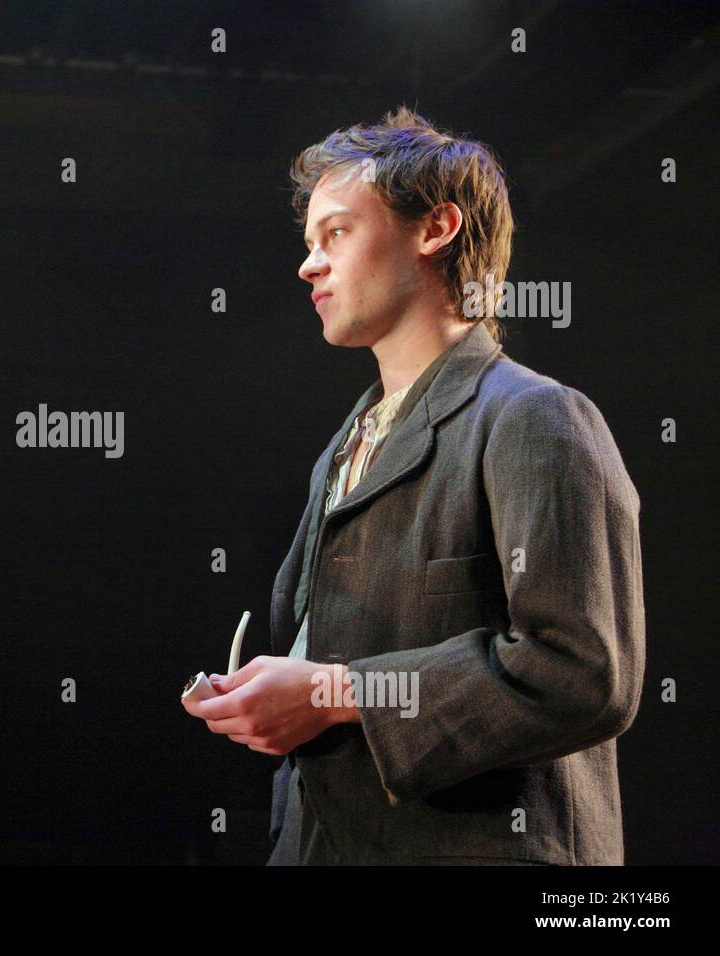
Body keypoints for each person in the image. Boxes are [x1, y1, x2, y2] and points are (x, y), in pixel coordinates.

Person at [183, 107, 644, 865]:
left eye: (336, 233)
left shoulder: (536, 417)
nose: (308, 264)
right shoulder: (344, 446)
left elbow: (582, 673)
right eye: (309, 243)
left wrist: (330, 692)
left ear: (434, 230)